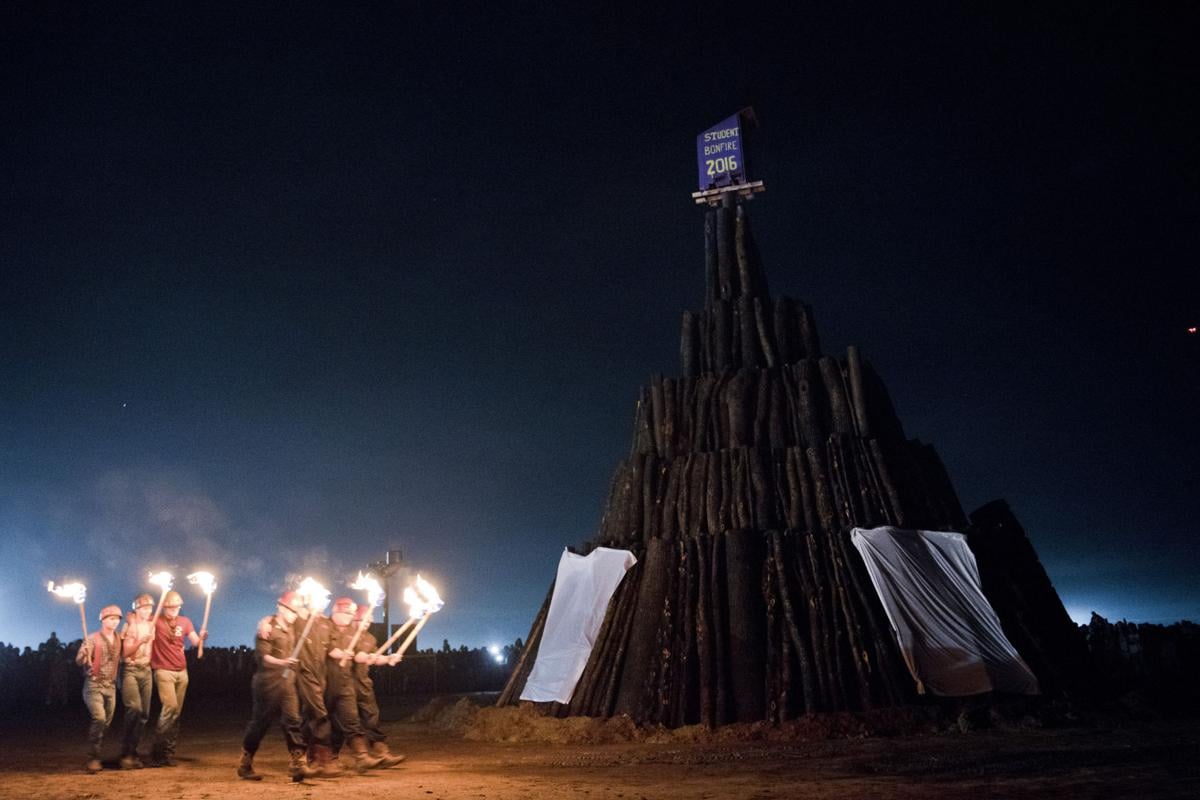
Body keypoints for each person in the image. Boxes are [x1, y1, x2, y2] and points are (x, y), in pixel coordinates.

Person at [238, 591, 316, 782]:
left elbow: (311, 616)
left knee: (293, 720)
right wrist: (283, 663)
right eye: (291, 610)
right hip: (267, 683)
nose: (294, 615)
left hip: (286, 682)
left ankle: (298, 763)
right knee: (260, 724)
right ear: (281, 608)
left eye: (296, 611)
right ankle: (245, 763)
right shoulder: (266, 629)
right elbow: (263, 658)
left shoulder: (291, 625)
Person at [148, 589, 206, 767]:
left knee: (176, 714)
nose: (173, 610)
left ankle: (168, 753)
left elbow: (195, 641)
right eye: (169, 607)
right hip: (163, 670)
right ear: (163, 607)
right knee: (170, 708)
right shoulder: (155, 620)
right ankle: (157, 752)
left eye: (176, 607)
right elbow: (133, 617)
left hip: (182, 671)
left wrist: (202, 637)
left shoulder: (185, 622)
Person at [324, 598, 382, 772]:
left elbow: (360, 655)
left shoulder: (353, 631)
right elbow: (329, 648)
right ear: (337, 612)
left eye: (352, 614)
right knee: (320, 724)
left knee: (351, 720)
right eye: (348, 614)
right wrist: (339, 653)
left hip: (346, 681)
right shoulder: (324, 626)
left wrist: (381, 658)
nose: (351, 617)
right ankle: (314, 758)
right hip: (324, 682)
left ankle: (361, 757)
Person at [349, 604, 405, 768]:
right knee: (347, 721)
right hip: (343, 683)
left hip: (363, 682)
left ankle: (381, 752)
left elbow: (375, 657)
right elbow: (361, 656)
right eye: (364, 620)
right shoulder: (344, 635)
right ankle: (331, 758)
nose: (367, 624)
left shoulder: (370, 638)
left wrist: (388, 659)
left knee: (372, 717)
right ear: (355, 618)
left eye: (369, 621)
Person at [76, 604, 123, 773]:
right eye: (111, 618)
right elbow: (79, 661)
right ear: (103, 620)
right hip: (93, 685)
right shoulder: (92, 638)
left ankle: (97, 752)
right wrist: (83, 654)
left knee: (105, 725)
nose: (115, 621)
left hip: (110, 686)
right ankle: (92, 758)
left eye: (117, 619)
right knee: (100, 719)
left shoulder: (119, 638)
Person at [118, 593, 155, 769]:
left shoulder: (151, 626)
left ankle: (134, 751)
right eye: (145, 608)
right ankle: (125, 751)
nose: (148, 611)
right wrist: (140, 641)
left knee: (144, 715)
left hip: (146, 670)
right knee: (134, 708)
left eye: (150, 608)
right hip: (130, 670)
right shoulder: (128, 626)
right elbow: (125, 653)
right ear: (136, 609)